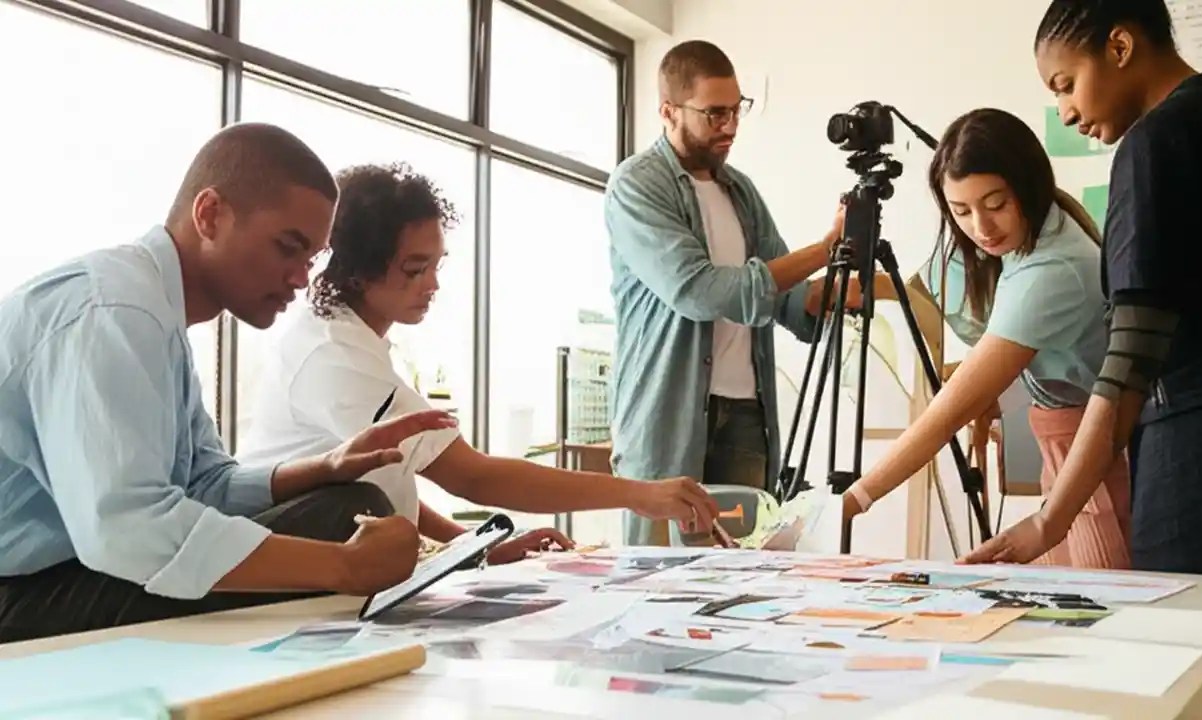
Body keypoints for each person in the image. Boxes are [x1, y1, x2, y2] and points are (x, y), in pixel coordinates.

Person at [0, 123, 462, 644]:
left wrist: (323, 467)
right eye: (288, 248)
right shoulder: (114, 311)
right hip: (16, 593)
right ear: (210, 215)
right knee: (343, 523)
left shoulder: (155, 315)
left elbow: (204, 484)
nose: (300, 278)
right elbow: (127, 530)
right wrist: (343, 565)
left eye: (310, 259)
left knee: (343, 502)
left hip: (54, 574)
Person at [961, 0, 1202, 712]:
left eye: (1065, 83)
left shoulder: (1156, 142)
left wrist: (1052, 518)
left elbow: (1130, 357)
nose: (1067, 113)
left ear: (1122, 46)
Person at [237, 161, 720, 560]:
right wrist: (641, 494)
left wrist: (475, 545)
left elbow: (392, 479)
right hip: (299, 561)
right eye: (414, 269)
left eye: (436, 265)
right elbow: (472, 475)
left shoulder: (353, 343)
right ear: (360, 270)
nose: (432, 285)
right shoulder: (335, 356)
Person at [838, 108, 1130, 570]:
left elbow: (947, 414)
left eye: (995, 204)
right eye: (961, 211)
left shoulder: (1053, 270)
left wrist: (855, 498)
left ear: (1028, 184)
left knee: (1109, 607)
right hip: (1061, 440)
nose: (981, 227)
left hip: (1098, 449)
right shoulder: (1031, 234)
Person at [605, 39, 845, 546]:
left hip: (746, 414)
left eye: (737, 111)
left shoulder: (742, 192)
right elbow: (697, 290)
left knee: (739, 580)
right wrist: (824, 248)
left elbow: (787, 295)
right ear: (669, 111)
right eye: (715, 113)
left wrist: (841, 282)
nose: (730, 126)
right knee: (655, 586)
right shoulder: (636, 186)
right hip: (666, 417)